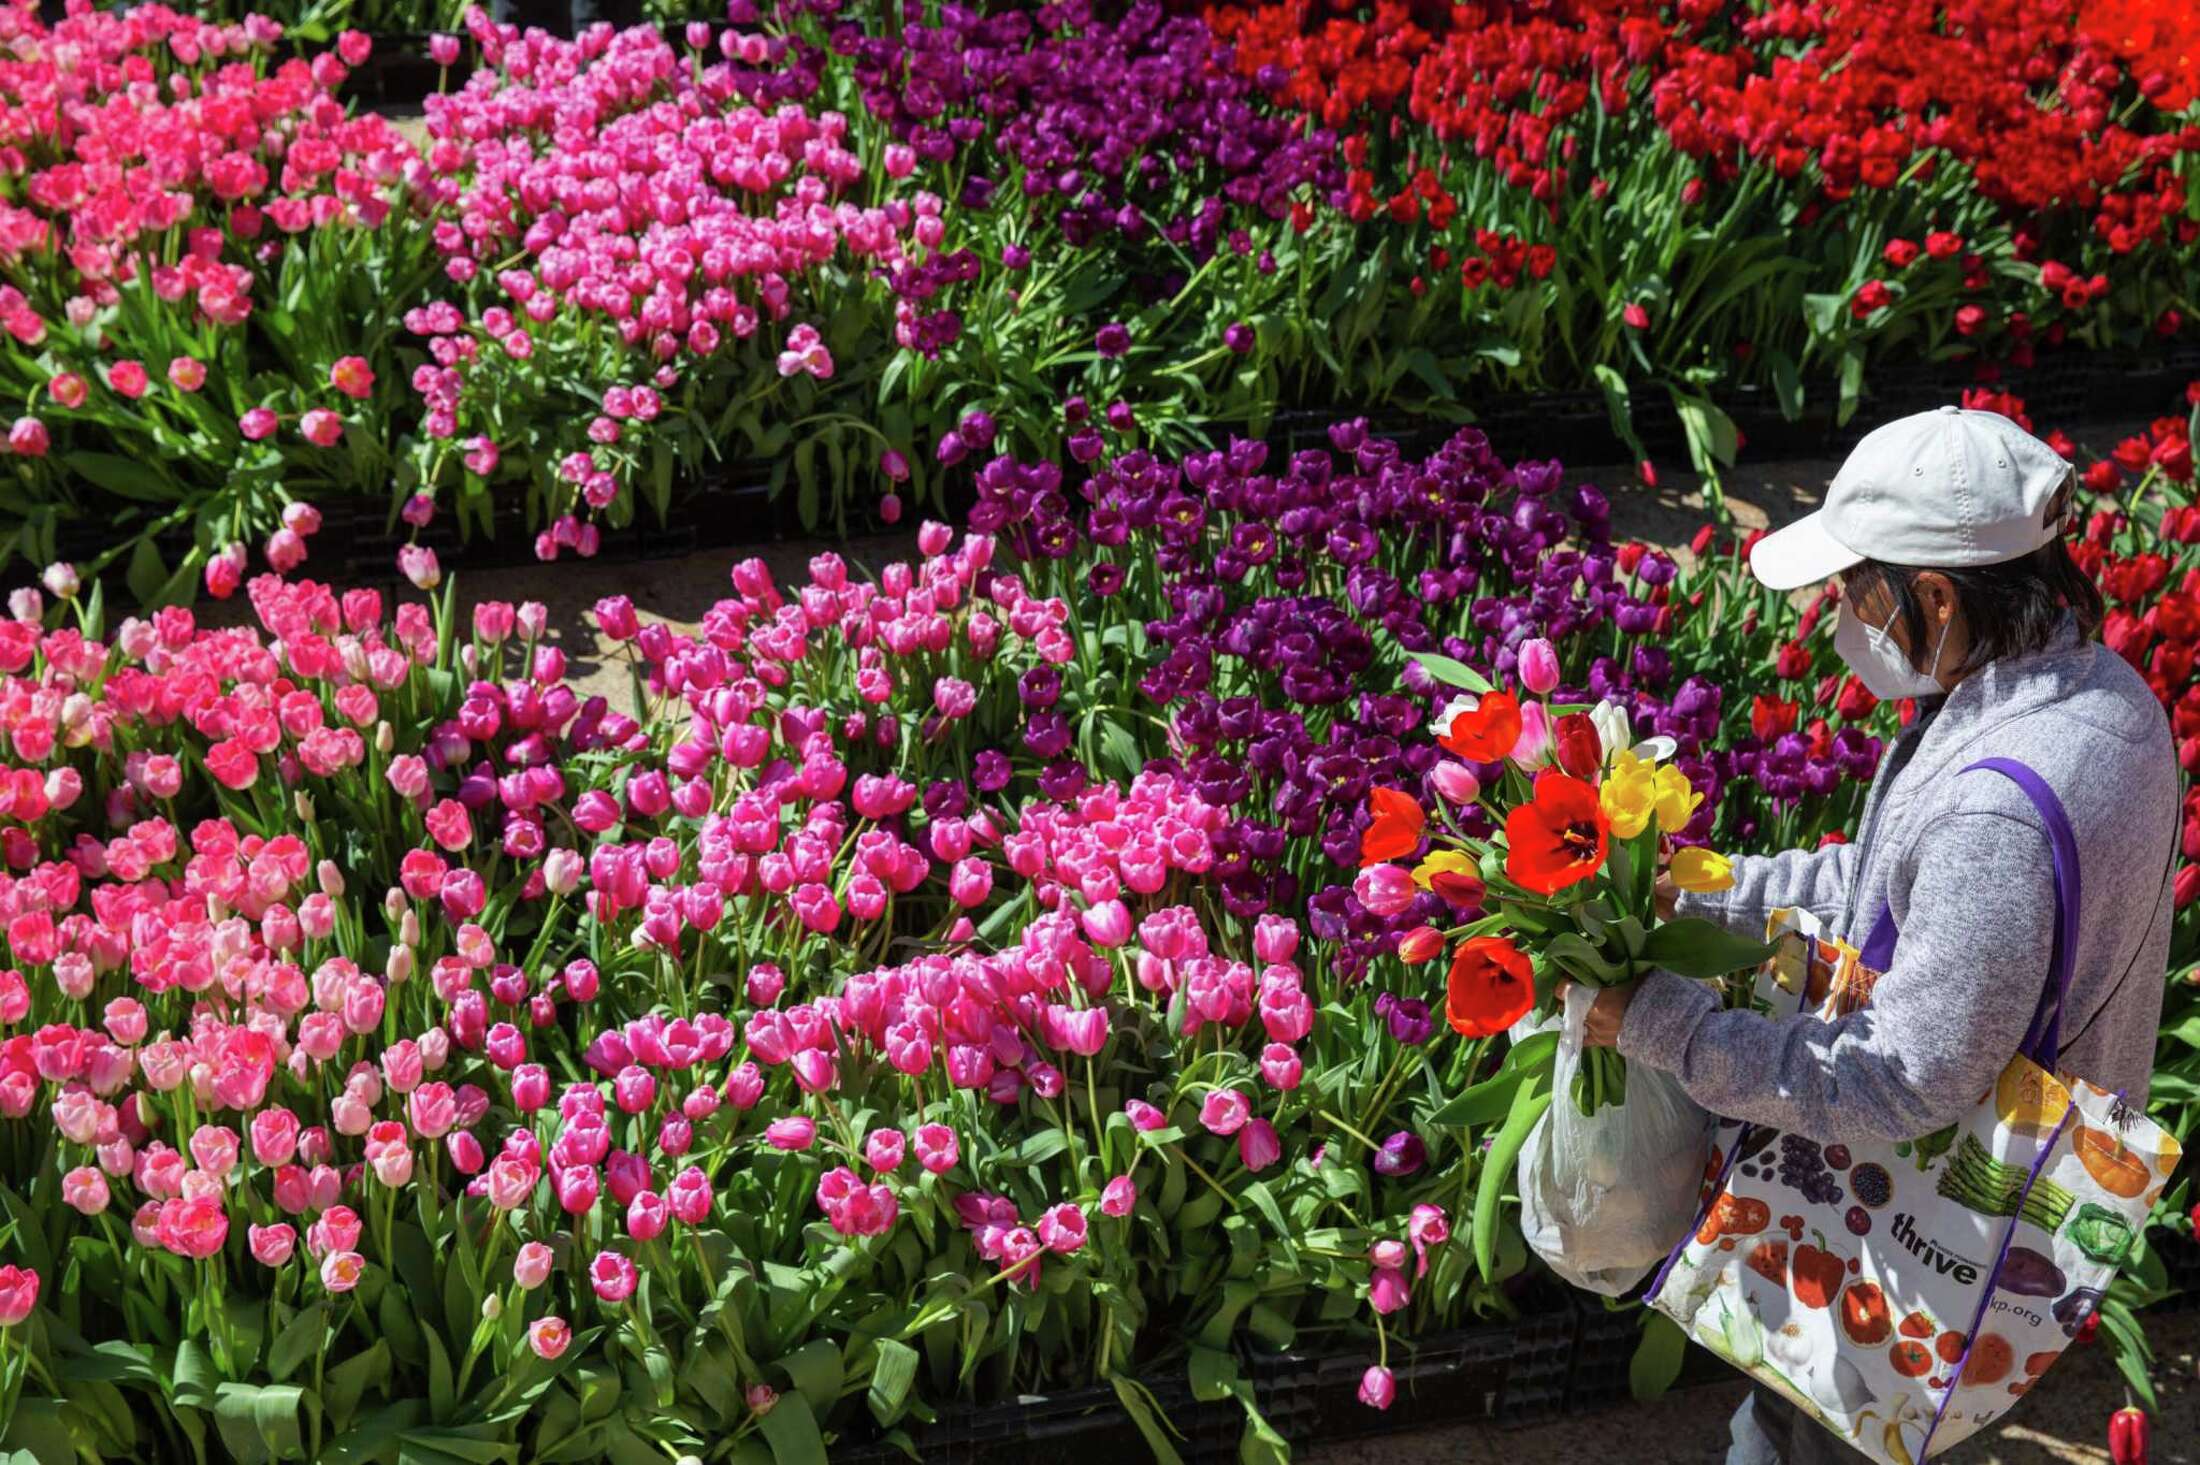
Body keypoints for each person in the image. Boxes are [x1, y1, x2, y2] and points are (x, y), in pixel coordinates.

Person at [1573, 406, 2177, 1465]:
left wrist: (1662, 1024)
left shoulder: (1993, 799)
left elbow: (1898, 1079)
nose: (1838, 614)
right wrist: (1708, 890)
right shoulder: (2100, 693)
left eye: (1856, 588)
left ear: (1936, 593)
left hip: (1912, 1232)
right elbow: (1891, 890)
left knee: (1805, 1429)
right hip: (1979, 1199)